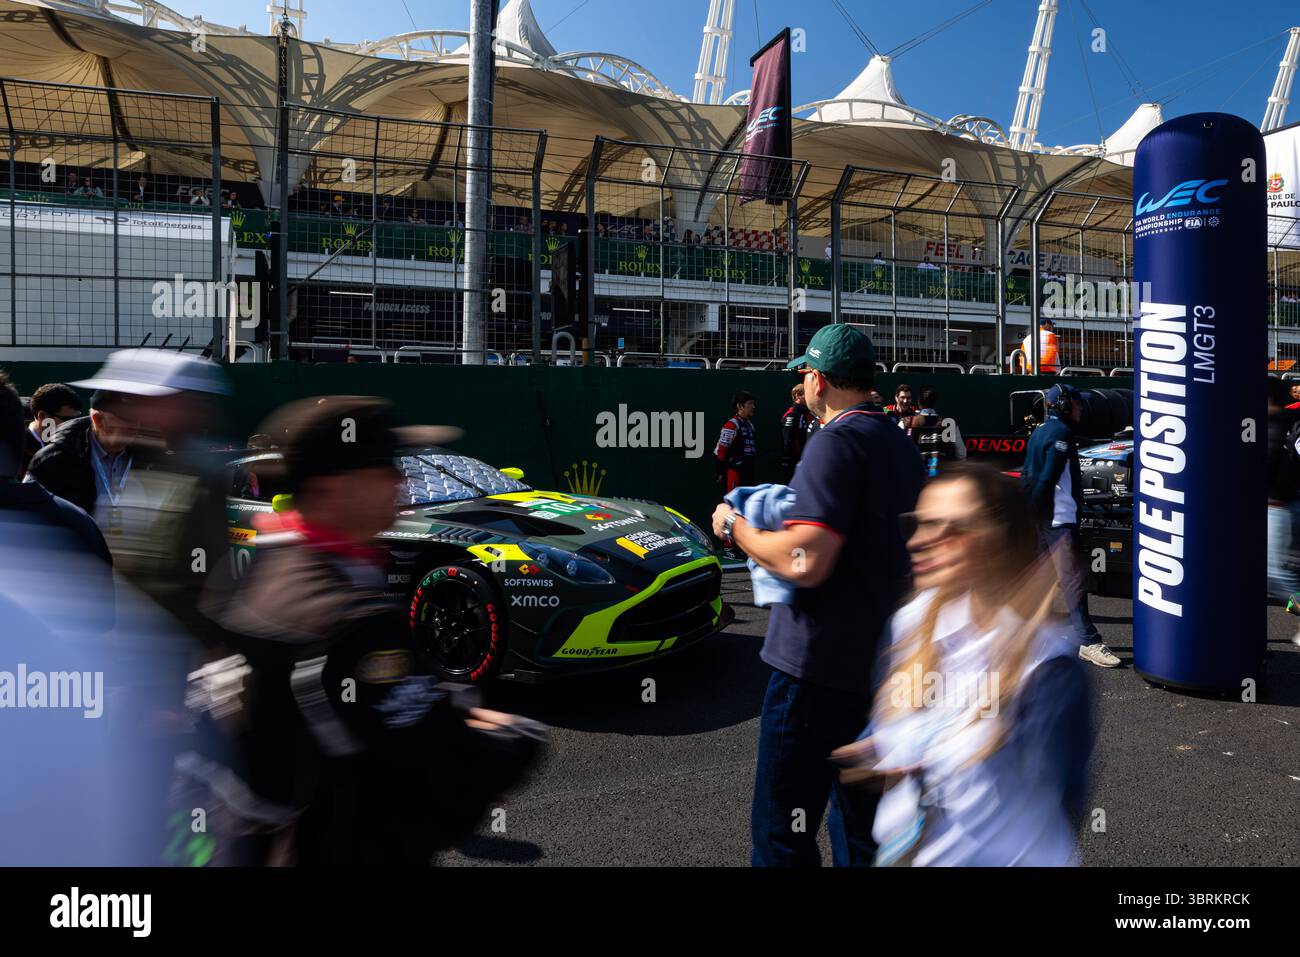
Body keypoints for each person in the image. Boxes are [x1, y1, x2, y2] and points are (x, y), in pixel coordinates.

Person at [199, 396, 545, 865]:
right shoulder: (351, 622)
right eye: (385, 469)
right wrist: (518, 736)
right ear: (330, 490)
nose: (402, 482)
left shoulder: (259, 576)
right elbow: (445, 774)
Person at [712, 324, 923, 866]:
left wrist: (736, 528)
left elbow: (806, 560)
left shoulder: (835, 440)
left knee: (781, 833)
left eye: (804, 374)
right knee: (862, 832)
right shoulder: (897, 441)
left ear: (820, 378)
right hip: (877, 667)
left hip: (813, 671)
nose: (802, 384)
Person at [833, 462, 1093, 866]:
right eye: (919, 523)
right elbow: (900, 718)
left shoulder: (1047, 665)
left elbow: (1061, 800)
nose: (921, 541)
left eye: (951, 529)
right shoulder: (912, 622)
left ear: (998, 541)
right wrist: (876, 744)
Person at [26, 349, 232, 646]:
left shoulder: (153, 455)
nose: (129, 433)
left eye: (134, 425)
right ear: (96, 419)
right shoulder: (55, 462)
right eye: (120, 426)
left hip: (144, 606)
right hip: (83, 596)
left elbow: (198, 551)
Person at [1020, 384, 1119, 668]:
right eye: (1075, 403)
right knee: (1074, 582)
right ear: (1063, 405)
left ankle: (1032, 638)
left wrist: (1030, 515)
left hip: (1042, 521)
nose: (1079, 407)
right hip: (1058, 522)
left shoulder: (1039, 432)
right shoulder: (1062, 434)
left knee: (1040, 582)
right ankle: (1089, 641)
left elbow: (1027, 475)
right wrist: (1040, 510)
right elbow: (1047, 477)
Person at [1266, 377, 1300, 615]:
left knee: (1277, 574)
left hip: (1279, 506)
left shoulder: (1274, 424)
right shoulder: (1290, 420)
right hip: (1286, 503)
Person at [22, 382, 82, 476]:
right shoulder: (17, 451)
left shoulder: (79, 448)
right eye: (68, 420)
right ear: (42, 416)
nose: (74, 425)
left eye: (77, 419)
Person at [909, 385, 967, 469]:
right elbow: (962, 455)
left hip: (916, 475)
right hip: (943, 477)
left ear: (919, 402)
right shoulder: (949, 423)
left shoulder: (908, 422)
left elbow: (899, 453)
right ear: (935, 402)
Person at [779, 383, 818, 482]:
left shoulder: (809, 415)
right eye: (806, 394)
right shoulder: (791, 415)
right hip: (794, 464)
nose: (810, 396)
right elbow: (788, 442)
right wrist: (796, 459)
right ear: (797, 396)